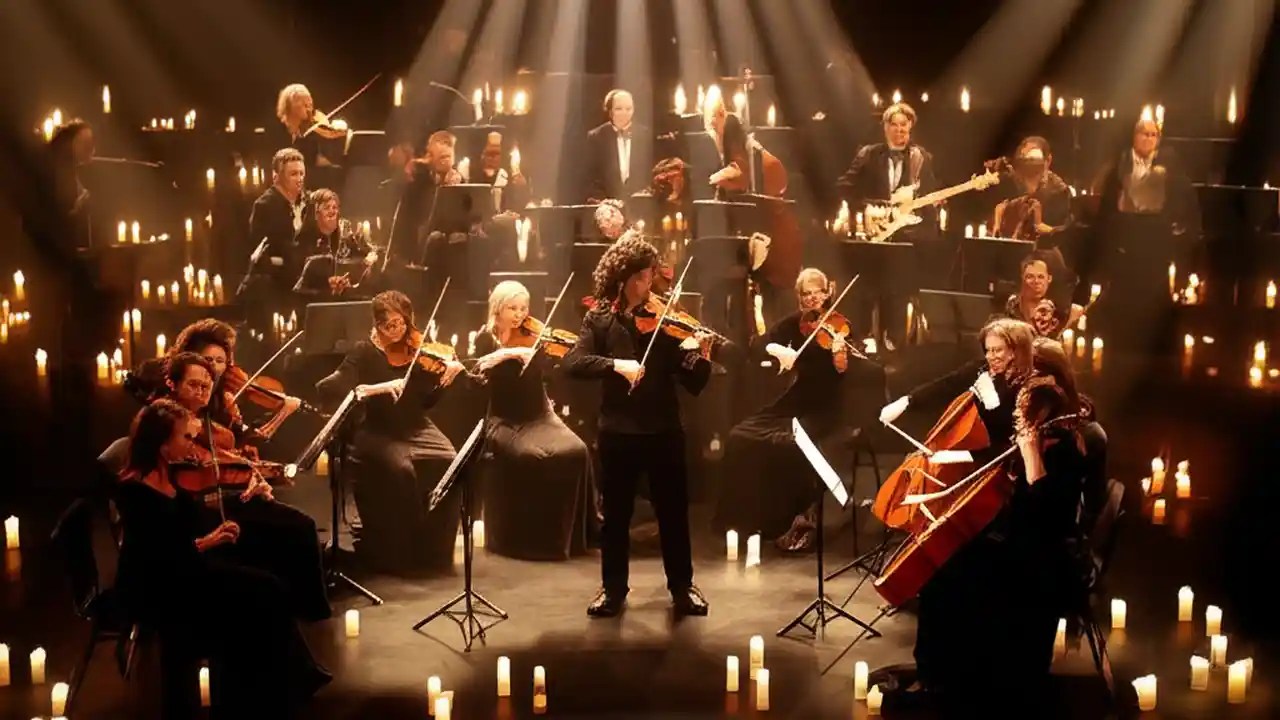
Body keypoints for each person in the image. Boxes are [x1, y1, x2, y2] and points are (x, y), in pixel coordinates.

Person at [114, 399, 329, 716]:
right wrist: (207, 542)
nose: (192, 444)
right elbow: (155, 556)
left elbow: (189, 520)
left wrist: (228, 514)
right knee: (263, 592)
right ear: (162, 445)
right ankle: (275, 687)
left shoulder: (169, 474)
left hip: (188, 569)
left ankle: (280, 684)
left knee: (268, 583)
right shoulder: (135, 492)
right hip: (161, 587)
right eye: (185, 438)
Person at [563, 235, 715, 617]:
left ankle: (682, 587)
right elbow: (573, 363)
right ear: (625, 277)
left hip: (663, 428)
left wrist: (702, 356)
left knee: (673, 514)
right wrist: (617, 365)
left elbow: (694, 384)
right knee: (615, 517)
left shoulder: (667, 321)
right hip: (618, 430)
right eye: (643, 277)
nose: (650, 285)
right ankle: (613, 589)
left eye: (651, 276)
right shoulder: (598, 318)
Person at [158, 352, 330, 621]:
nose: (202, 392)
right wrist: (251, 475)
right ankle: (302, 615)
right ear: (172, 384)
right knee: (300, 529)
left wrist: (254, 476)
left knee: (297, 526)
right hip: (196, 510)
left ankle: (295, 613)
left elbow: (222, 460)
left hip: (215, 497)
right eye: (193, 385)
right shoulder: (168, 421)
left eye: (206, 385)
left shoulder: (200, 418)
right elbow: (200, 468)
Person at [316, 290, 467, 574]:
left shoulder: (418, 349)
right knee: (401, 470)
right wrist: (380, 388)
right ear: (377, 324)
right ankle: (406, 548)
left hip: (416, 425)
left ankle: (437, 547)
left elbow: (426, 401)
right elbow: (334, 388)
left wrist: (449, 378)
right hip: (378, 430)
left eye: (402, 323)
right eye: (390, 325)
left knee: (452, 461)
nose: (398, 331)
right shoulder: (363, 351)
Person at [716, 268, 861, 551]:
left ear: (827, 292)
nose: (812, 298)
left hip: (825, 406)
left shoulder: (840, 327)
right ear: (799, 297)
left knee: (790, 445)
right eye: (805, 293)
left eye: (817, 292)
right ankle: (746, 520)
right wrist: (778, 351)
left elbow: (842, 372)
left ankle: (792, 521)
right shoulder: (795, 324)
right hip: (794, 401)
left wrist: (839, 353)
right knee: (740, 435)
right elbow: (760, 345)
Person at [470, 280, 593, 560]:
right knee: (532, 456)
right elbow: (479, 376)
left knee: (577, 450)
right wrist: (504, 354)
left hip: (540, 413)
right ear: (498, 309)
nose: (519, 314)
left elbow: (551, 367)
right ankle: (533, 541)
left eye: (523, 308)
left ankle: (571, 538)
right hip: (505, 419)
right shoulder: (484, 340)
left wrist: (520, 353)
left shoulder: (534, 338)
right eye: (512, 308)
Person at [837, 102, 938, 350]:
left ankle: (896, 345)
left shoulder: (920, 158)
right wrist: (869, 208)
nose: (900, 130)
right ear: (885, 128)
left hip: (906, 237)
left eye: (904, 125)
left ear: (911, 128)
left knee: (898, 294)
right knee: (869, 290)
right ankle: (866, 340)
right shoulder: (869, 154)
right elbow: (845, 186)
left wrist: (925, 225)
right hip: (873, 235)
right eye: (894, 125)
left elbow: (930, 195)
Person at [126, 318, 303, 444]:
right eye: (208, 360)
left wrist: (283, 412)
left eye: (220, 361)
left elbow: (240, 439)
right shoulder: (170, 393)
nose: (213, 369)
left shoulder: (223, 398)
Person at [237, 148, 308, 326]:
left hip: (304, 286)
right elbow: (258, 255)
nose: (299, 178)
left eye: (301, 173)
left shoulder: (309, 202)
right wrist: (286, 261)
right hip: (275, 289)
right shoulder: (264, 206)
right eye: (293, 174)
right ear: (277, 177)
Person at [292, 188, 381, 297]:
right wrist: (327, 286)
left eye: (335, 207)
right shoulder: (301, 243)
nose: (332, 211)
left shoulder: (342, 238)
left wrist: (344, 284)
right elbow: (298, 287)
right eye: (326, 208)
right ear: (315, 214)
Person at [991, 136, 1072, 241]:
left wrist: (1045, 228)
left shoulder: (1059, 192)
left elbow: (1067, 234)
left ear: (1048, 161)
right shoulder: (1015, 184)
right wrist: (998, 221)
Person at [585, 89, 652, 202]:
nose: (624, 113)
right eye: (619, 109)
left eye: (628, 109)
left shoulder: (645, 135)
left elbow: (649, 171)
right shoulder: (596, 136)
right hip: (607, 205)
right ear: (609, 111)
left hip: (639, 204)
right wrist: (603, 202)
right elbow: (591, 175)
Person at [1004, 251, 1084, 338]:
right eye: (1030, 276)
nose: (1036, 281)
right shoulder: (1013, 305)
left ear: (1049, 279)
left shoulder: (1061, 311)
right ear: (1022, 277)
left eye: (1040, 277)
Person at [274, 83, 345, 170]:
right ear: (290, 107)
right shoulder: (284, 137)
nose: (309, 108)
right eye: (304, 104)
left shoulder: (313, 136)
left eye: (310, 103)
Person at [703, 86, 751, 200]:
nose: (713, 122)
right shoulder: (712, 138)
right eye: (710, 117)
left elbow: (740, 167)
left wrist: (716, 178)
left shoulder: (732, 127)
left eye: (717, 115)